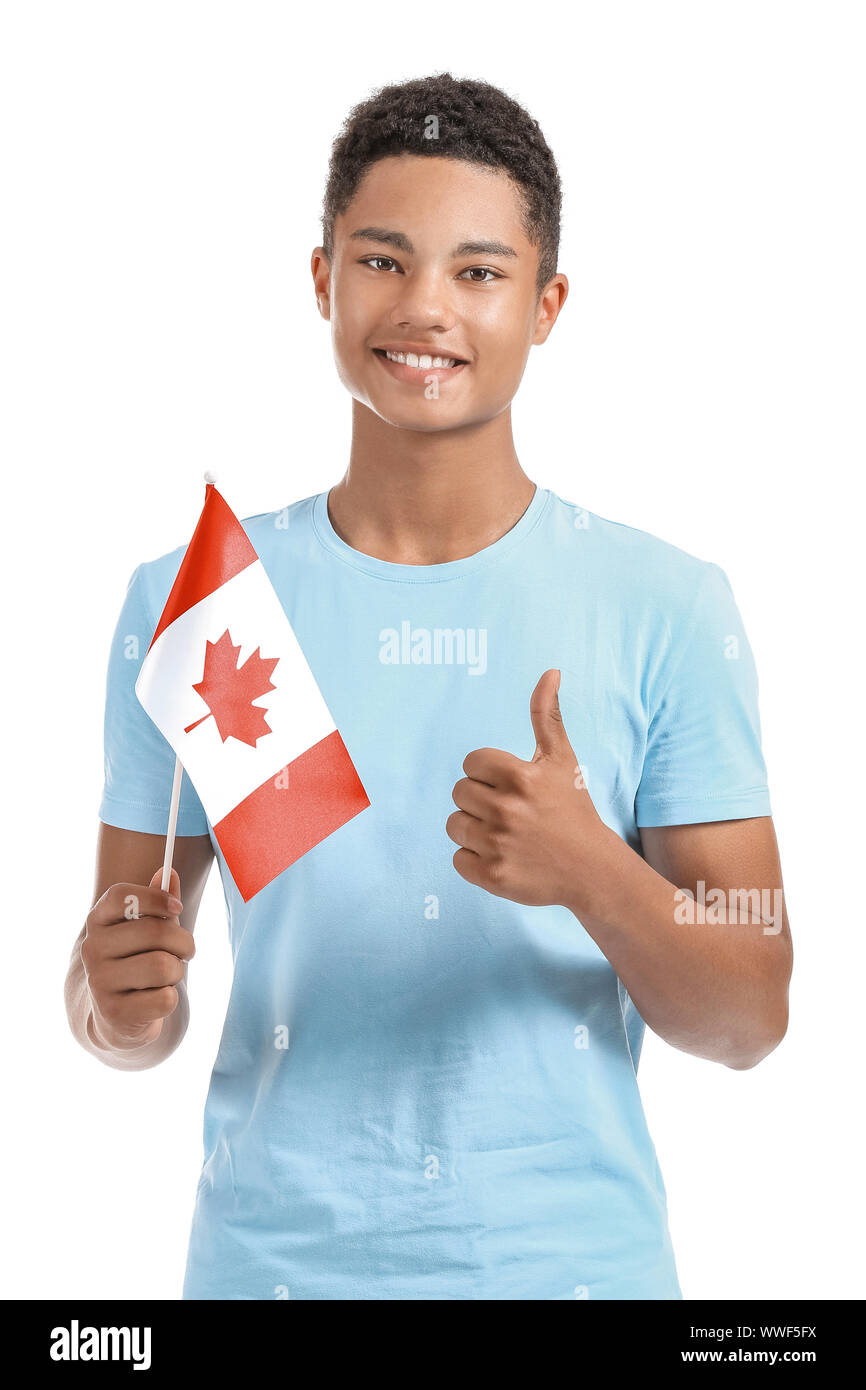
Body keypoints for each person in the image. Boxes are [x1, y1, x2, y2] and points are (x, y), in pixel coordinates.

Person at [65, 72, 792, 1301]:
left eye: (478, 271)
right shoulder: (198, 603)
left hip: (573, 1276)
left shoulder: (666, 604)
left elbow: (751, 1011)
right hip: (266, 1274)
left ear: (546, 304)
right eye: (382, 260)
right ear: (321, 280)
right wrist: (115, 1005)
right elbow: (117, 987)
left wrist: (592, 871)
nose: (423, 309)